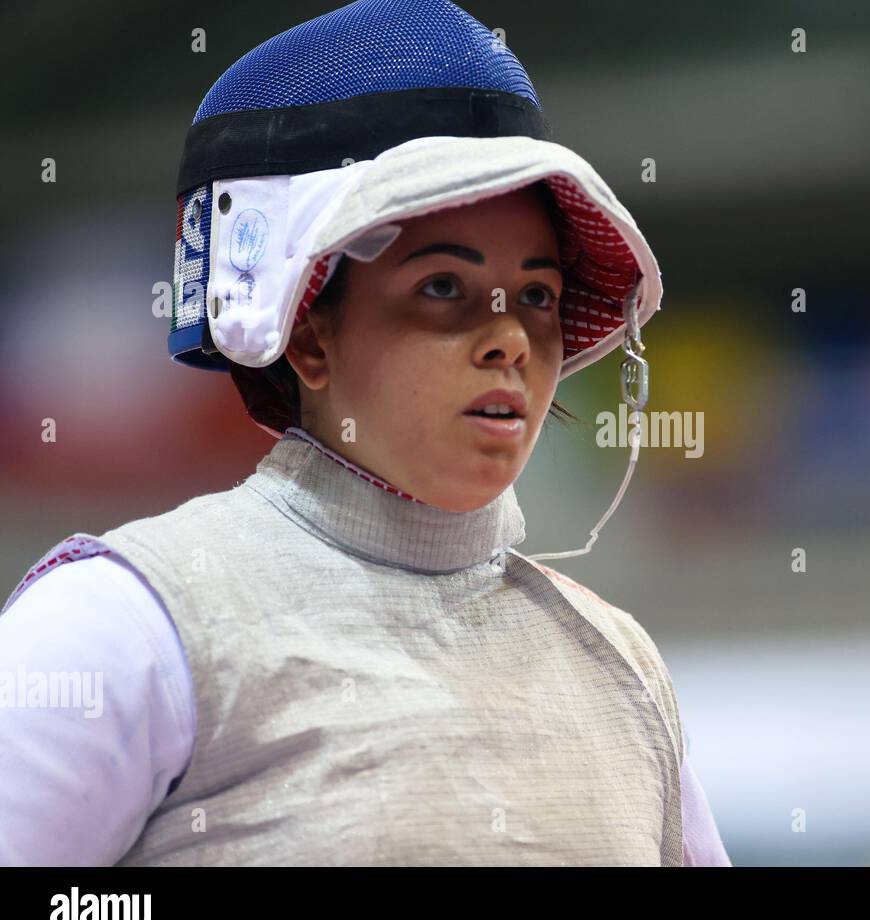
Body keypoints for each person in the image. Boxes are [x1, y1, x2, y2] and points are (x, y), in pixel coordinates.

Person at [0, 0, 730, 866]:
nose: (509, 337)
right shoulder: (125, 623)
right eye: (442, 288)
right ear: (308, 333)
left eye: (536, 294)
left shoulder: (622, 670)